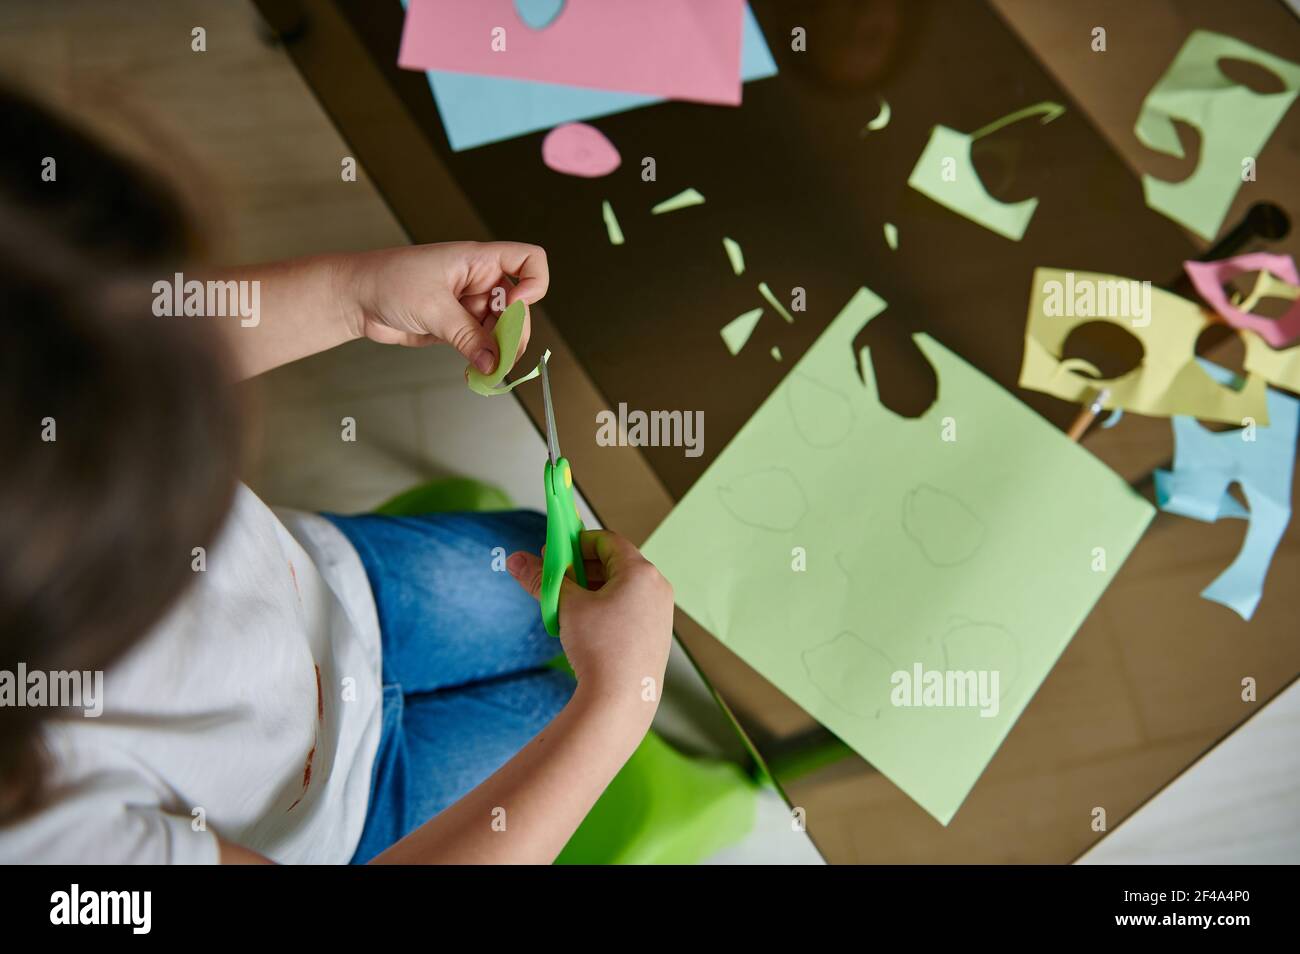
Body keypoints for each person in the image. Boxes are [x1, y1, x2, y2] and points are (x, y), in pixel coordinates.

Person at [0, 86, 674, 864]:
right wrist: (620, 705)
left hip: (339, 591)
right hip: (342, 818)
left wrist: (353, 297)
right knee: (556, 705)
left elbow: (139, 336)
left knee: (541, 557)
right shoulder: (53, 852)